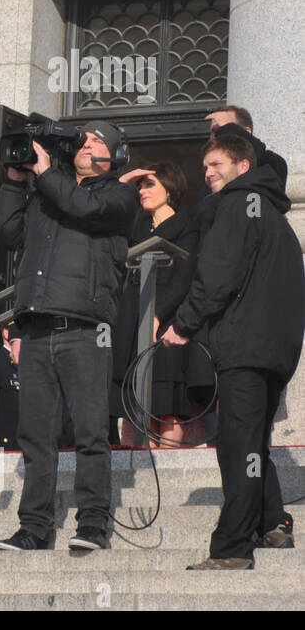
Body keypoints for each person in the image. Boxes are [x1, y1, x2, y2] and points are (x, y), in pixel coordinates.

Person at [0, 120, 140, 552]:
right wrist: (16, 181)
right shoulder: (46, 192)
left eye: (98, 142)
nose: (86, 145)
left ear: (115, 157)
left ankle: (93, 523)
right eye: (84, 139)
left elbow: (84, 209)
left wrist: (43, 173)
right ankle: (34, 527)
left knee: (91, 431)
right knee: (36, 435)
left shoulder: (119, 196)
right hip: (36, 326)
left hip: (84, 329)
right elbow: (8, 231)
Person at [161, 134, 303, 569]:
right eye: (205, 166)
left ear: (244, 166)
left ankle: (231, 548)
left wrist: (182, 325)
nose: (208, 173)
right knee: (252, 446)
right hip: (271, 354)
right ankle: (267, 524)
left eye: (217, 163)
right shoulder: (274, 215)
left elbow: (217, 273)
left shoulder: (241, 205)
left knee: (238, 450)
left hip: (245, 350)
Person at [109, 161, 207, 448]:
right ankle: (137, 481)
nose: (142, 191)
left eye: (149, 184)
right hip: (130, 318)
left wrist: (156, 315)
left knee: (165, 408)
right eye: (140, 185)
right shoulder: (136, 228)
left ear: (170, 187)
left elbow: (184, 279)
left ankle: (165, 477)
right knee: (132, 411)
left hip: (165, 321)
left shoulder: (187, 226)